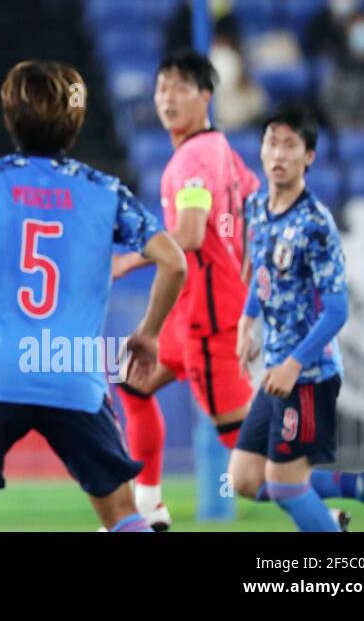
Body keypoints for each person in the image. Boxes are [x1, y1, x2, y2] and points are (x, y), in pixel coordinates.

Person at [0, 61, 186, 532]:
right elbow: (174, 261)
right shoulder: (105, 190)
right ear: (75, 123)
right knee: (122, 512)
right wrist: (148, 334)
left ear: (9, 119)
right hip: (73, 371)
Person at [230, 105, 364, 531]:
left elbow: (337, 309)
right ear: (261, 149)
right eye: (272, 142)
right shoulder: (256, 207)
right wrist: (247, 321)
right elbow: (263, 272)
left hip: (308, 376)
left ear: (308, 156)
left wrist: (294, 364)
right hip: (276, 372)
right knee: (245, 479)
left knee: (285, 486)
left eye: (290, 145)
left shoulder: (316, 224)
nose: (278, 154)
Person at [111, 50, 260, 529]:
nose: (167, 98)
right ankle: (147, 508)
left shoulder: (194, 157)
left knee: (249, 465)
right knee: (132, 382)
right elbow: (254, 210)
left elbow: (192, 234)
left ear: (206, 96)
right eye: (161, 88)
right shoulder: (223, 151)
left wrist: (130, 259)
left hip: (209, 317)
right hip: (196, 307)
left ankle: (340, 496)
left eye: (180, 88)